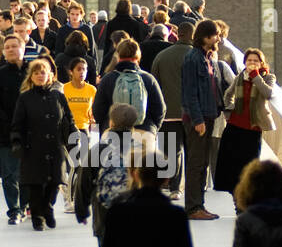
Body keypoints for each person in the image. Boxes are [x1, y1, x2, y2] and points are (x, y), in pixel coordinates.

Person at [11, 58, 77, 231]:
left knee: (55, 182)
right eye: (36, 73)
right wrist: (17, 141)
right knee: (35, 184)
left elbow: (69, 119)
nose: (40, 76)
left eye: (43, 72)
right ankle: (38, 217)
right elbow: (18, 122)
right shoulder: (25, 98)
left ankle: (48, 207)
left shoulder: (59, 96)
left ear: (50, 75)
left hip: (56, 145)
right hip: (33, 146)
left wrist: (74, 136)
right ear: (31, 77)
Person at [213, 47, 277, 209]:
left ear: (261, 63)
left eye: (255, 60)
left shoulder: (268, 77)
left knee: (250, 169)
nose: (252, 63)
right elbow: (228, 94)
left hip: (253, 129)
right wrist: (229, 112)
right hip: (235, 127)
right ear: (245, 62)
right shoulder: (240, 77)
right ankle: (238, 203)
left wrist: (255, 76)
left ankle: (247, 202)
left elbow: (268, 93)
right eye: (249, 61)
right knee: (232, 168)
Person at [75, 103, 140, 247]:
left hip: (105, 215)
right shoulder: (141, 150)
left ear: (111, 122)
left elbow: (83, 182)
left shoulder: (98, 150)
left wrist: (82, 210)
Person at [180, 19, 224, 221]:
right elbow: (189, 93)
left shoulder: (208, 58)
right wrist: (198, 120)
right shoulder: (193, 59)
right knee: (196, 163)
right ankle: (192, 208)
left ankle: (199, 205)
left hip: (208, 115)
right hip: (198, 118)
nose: (219, 38)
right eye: (216, 34)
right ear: (206, 37)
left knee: (203, 163)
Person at [0, 34, 31, 225]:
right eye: (8, 47)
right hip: (6, 130)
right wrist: (6, 119)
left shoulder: (33, 71)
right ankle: (14, 209)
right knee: (10, 172)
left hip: (31, 130)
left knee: (29, 172)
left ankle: (27, 205)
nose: (11, 49)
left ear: (22, 48)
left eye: (14, 46)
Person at [152, 21, 195, 201]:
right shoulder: (197, 56)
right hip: (193, 114)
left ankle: (174, 188)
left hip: (168, 114)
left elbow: (155, 85)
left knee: (172, 152)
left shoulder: (162, 56)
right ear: (192, 36)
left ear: (177, 35)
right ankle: (194, 190)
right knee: (193, 154)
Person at [92, 37, 165, 134]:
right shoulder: (148, 79)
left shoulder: (108, 79)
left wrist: (105, 128)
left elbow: (98, 110)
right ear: (138, 55)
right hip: (143, 131)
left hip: (114, 133)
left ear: (118, 55)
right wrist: (152, 128)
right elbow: (160, 109)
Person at [60, 57, 97, 213]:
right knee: (71, 167)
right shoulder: (64, 89)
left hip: (83, 130)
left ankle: (75, 197)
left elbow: (93, 111)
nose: (82, 72)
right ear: (71, 71)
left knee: (81, 167)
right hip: (67, 129)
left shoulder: (91, 90)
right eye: (79, 69)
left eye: (84, 69)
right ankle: (69, 199)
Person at [100, 0, 146, 71]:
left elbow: (107, 43)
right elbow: (139, 42)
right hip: (131, 56)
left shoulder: (111, 23)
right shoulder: (135, 24)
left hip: (114, 56)